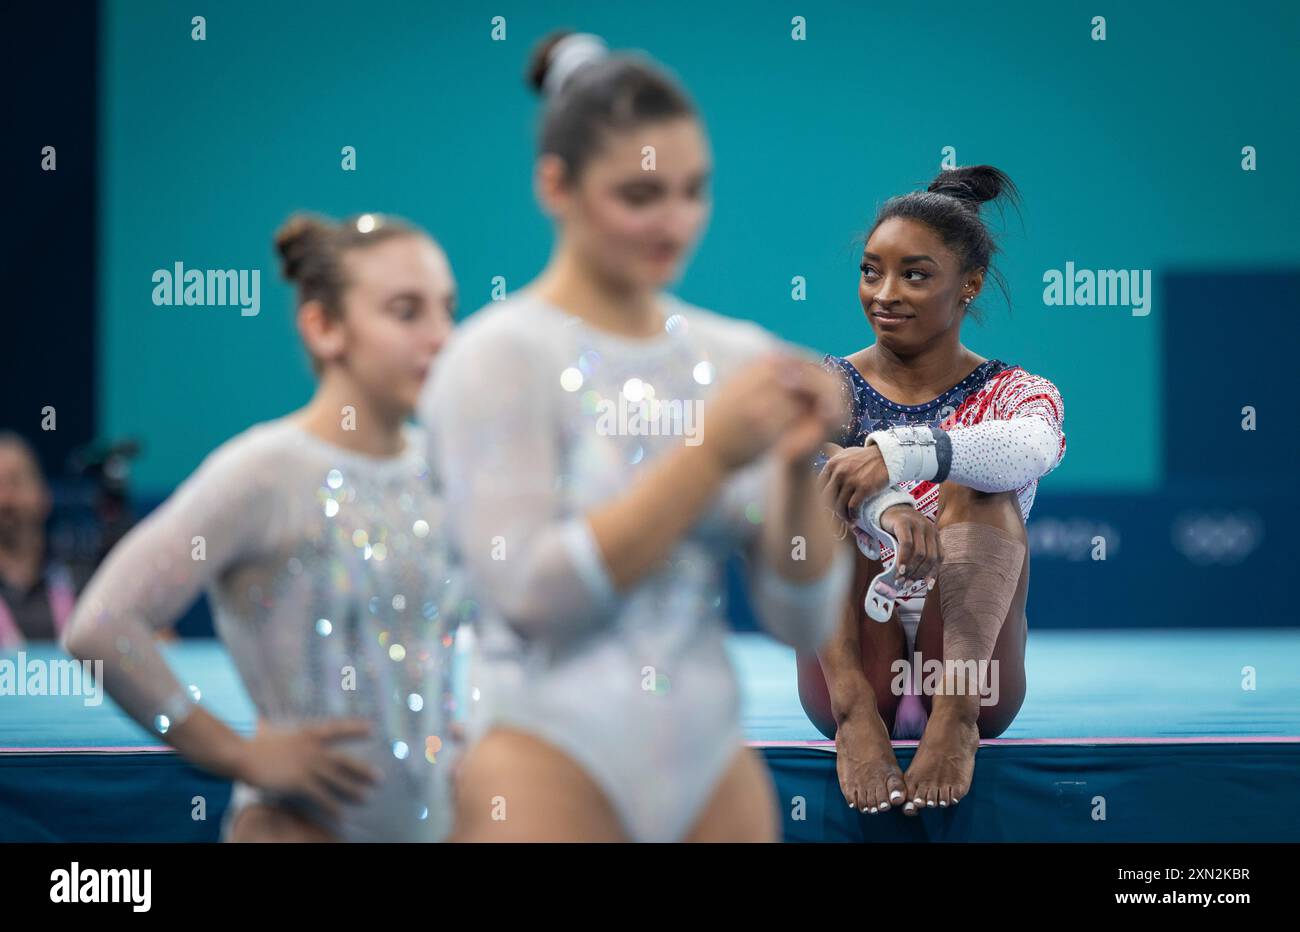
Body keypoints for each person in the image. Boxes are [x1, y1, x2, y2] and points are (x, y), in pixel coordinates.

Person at [423, 31, 854, 843]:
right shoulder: (497, 358)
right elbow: (532, 598)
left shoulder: (736, 355)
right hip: (546, 758)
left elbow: (800, 619)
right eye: (641, 194)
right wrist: (710, 456)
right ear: (557, 185)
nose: (677, 221)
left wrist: (798, 477)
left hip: (711, 769)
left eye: (695, 191)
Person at [63, 212, 463, 841]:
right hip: (302, 827)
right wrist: (234, 754)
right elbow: (99, 629)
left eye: (448, 309)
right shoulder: (266, 472)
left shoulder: (439, 465)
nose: (441, 335)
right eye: (407, 312)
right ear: (325, 327)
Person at [799, 165, 1067, 816]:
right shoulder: (828, 381)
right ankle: (858, 711)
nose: (885, 294)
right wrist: (888, 510)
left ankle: (953, 718)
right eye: (871, 271)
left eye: (915, 275)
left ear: (968, 284)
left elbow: (1034, 448)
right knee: (812, 478)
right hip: (857, 654)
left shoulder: (1013, 392)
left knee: (983, 482)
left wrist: (898, 454)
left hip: (974, 675)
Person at [0, 432, 80, 647]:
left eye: (15, 482)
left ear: (44, 496)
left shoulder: (86, 581)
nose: (6, 499)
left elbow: (167, 649)